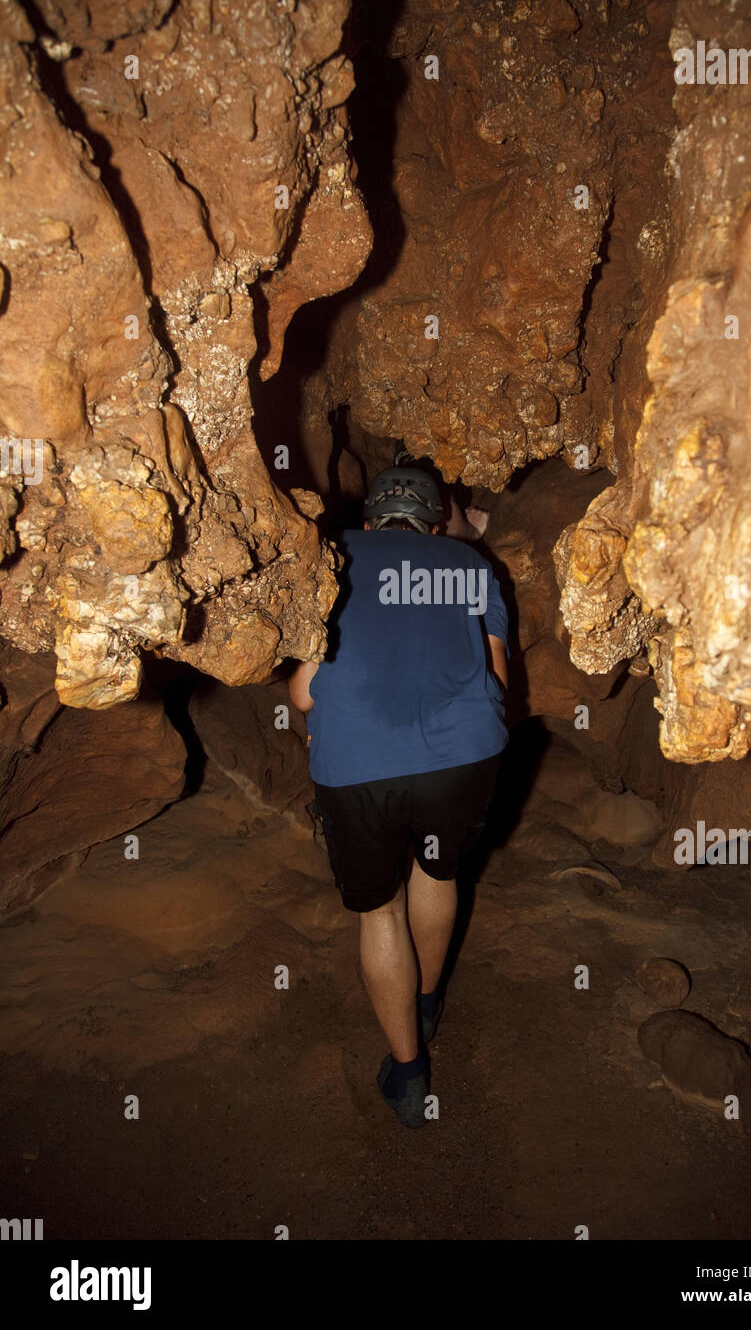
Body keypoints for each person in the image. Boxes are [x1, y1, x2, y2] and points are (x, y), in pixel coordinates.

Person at [288, 465, 509, 1128]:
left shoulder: (334, 559)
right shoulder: (470, 566)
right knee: (437, 869)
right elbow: (498, 681)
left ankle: (409, 1075)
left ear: (368, 520)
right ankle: (429, 1000)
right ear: (435, 521)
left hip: (358, 761)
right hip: (465, 754)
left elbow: (303, 694)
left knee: (379, 911)